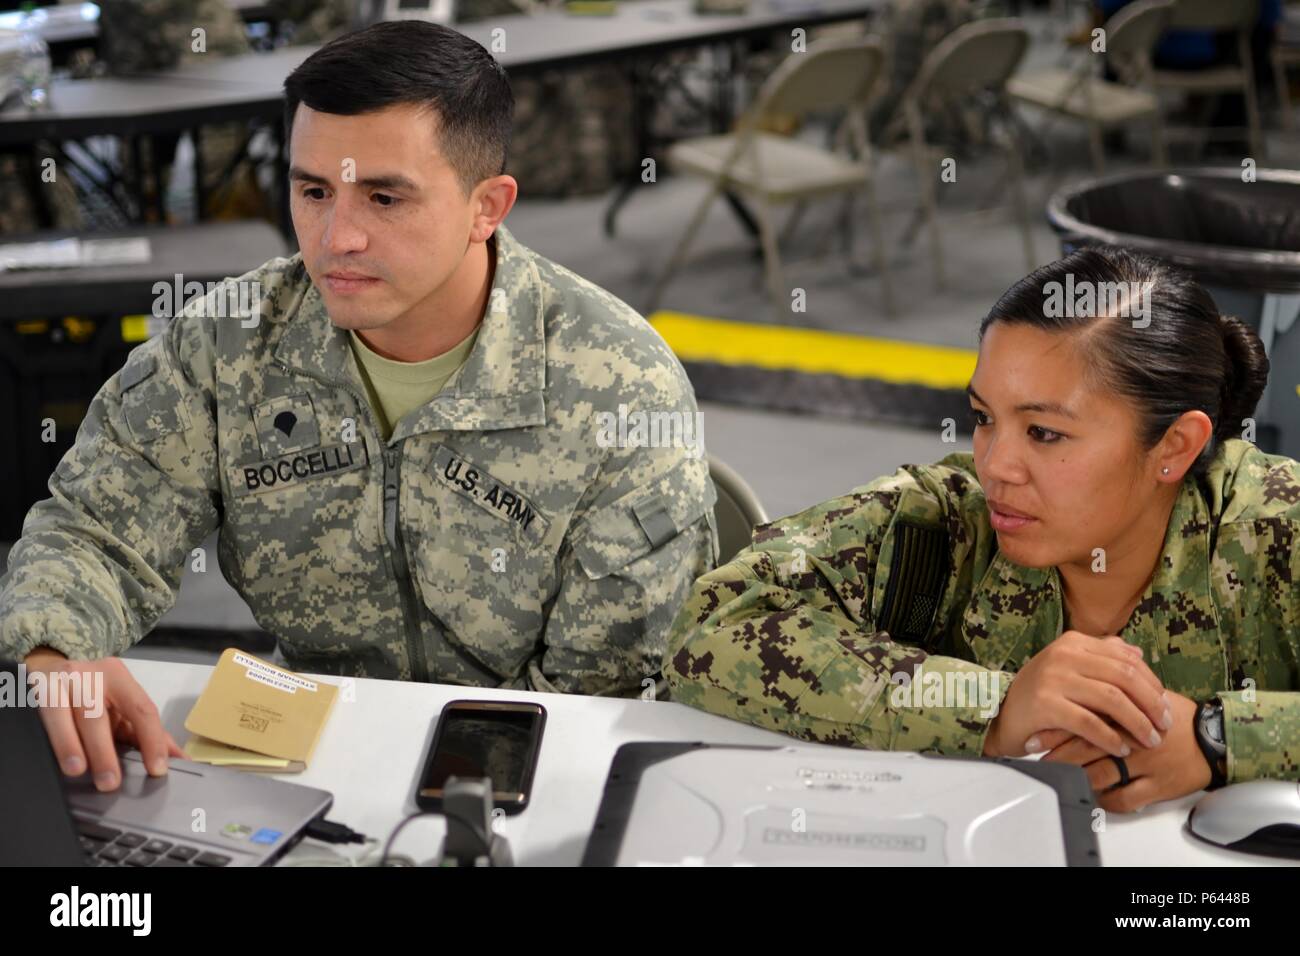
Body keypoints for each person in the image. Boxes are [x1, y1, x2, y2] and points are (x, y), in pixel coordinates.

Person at [0, 21, 716, 792]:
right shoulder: (228, 345)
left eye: (384, 196)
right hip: (304, 756)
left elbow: (597, 702)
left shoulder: (618, 385)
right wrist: (59, 654)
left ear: (488, 206)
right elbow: (93, 530)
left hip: (525, 779)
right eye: (313, 191)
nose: (337, 236)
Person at [665, 245, 1298, 813]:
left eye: (1044, 432)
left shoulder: (1276, 529)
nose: (995, 466)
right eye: (983, 416)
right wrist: (990, 707)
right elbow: (711, 627)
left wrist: (1218, 741)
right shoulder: (947, 522)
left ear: (1175, 445)